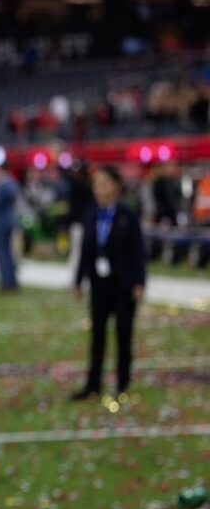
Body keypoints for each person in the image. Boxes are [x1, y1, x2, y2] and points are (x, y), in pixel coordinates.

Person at [71, 166, 146, 402]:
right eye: (96, 184)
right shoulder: (90, 214)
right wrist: (78, 280)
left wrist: (139, 282)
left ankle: (122, 383)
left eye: (104, 183)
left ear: (116, 186)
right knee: (98, 337)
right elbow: (84, 251)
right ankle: (93, 384)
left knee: (123, 336)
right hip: (99, 284)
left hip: (123, 285)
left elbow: (138, 252)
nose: (99, 189)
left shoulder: (127, 215)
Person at [0, 161, 20, 292]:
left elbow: (7, 197)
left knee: (3, 254)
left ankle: (7, 282)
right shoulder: (6, 183)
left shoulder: (5, 183)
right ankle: (8, 281)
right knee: (6, 253)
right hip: (4, 222)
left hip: (2, 223)